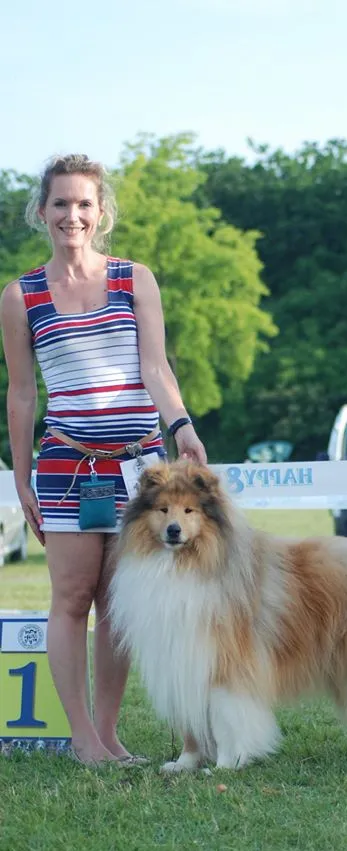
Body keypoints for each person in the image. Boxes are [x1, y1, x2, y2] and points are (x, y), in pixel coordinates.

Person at [0, 154, 207, 766]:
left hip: (137, 468)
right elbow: (21, 393)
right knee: (71, 598)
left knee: (118, 602)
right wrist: (21, 476)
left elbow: (155, 368)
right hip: (65, 466)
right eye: (60, 203)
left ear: (101, 212)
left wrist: (182, 426)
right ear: (42, 212)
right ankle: (82, 739)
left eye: (84, 203)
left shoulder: (133, 279)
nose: (73, 215)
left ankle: (110, 733)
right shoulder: (21, 295)